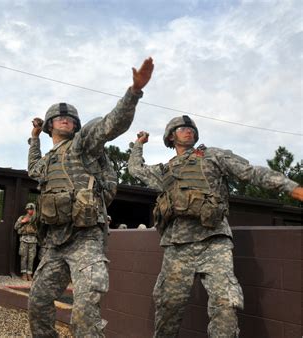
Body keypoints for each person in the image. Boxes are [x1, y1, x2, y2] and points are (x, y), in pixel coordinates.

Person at [128, 116, 303, 337]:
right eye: (182, 128)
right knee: (167, 309)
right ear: (171, 136)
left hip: (214, 242)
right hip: (177, 247)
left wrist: (292, 188)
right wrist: (139, 144)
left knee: (226, 305)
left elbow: (250, 172)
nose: (188, 131)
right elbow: (135, 169)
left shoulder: (212, 156)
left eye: (191, 128)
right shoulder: (165, 171)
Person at [27, 57, 154, 337]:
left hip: (86, 238)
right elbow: (33, 169)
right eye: (60, 118)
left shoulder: (83, 144)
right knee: (37, 303)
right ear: (50, 125)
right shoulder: (47, 161)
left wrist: (133, 92)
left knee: (84, 311)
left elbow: (110, 125)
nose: (67, 120)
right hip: (54, 240)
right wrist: (34, 138)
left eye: (71, 119)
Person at [14, 203, 38, 281]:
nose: (29, 211)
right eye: (28, 209)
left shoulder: (36, 219)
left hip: (33, 240)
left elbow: (40, 229)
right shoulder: (22, 217)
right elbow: (16, 227)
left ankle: (29, 274)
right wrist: (22, 221)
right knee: (23, 257)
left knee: (31, 258)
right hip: (24, 240)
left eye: (31, 209)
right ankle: (24, 274)